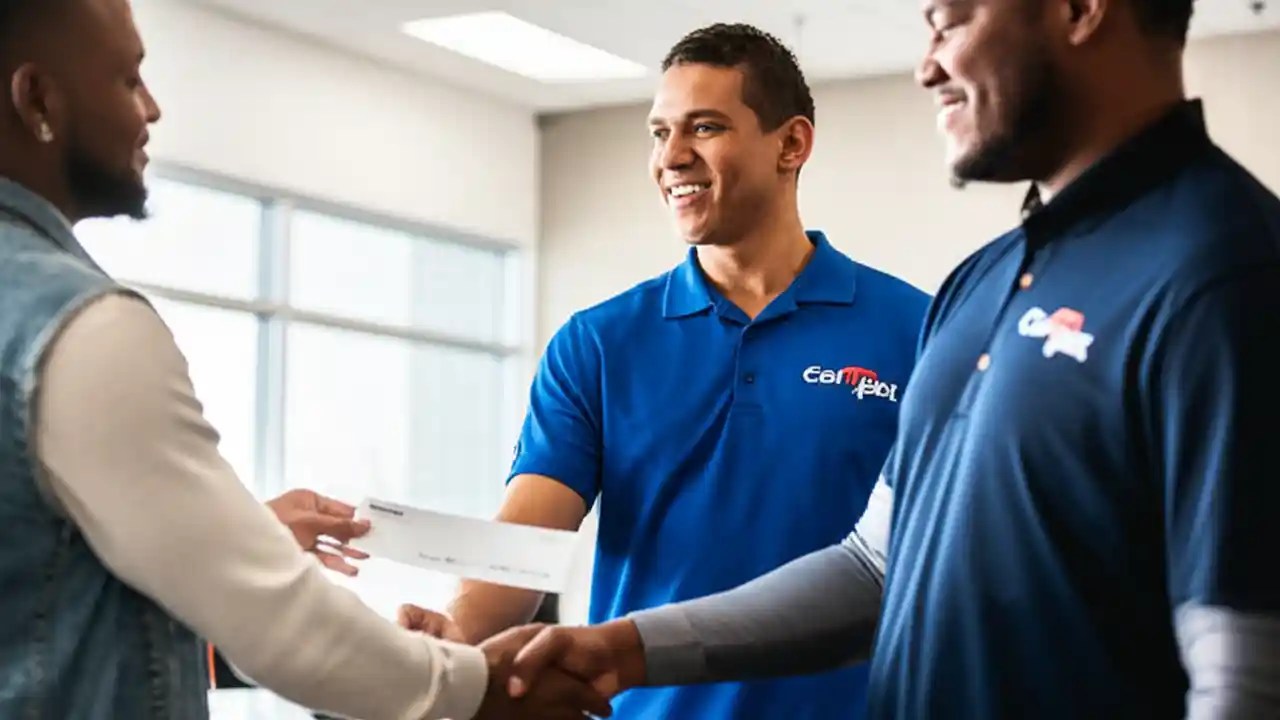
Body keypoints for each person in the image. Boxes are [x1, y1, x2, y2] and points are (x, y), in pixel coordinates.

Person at [493, 0, 1280, 718]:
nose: (926, 66)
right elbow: (875, 566)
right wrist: (619, 650)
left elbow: (1244, 673)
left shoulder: (1225, 269)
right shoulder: (982, 285)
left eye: (952, 22)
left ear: (1079, 11)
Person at [0, 1, 612, 718]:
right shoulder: (84, 330)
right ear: (38, 98)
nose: (153, 108)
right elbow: (278, 622)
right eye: (128, 80)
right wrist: (472, 686)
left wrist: (238, 532)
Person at [399, 22, 930, 720]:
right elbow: (527, 536)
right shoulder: (598, 343)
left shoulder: (919, 330)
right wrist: (460, 632)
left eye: (704, 128)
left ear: (791, 144)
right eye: (658, 133)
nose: (671, 157)